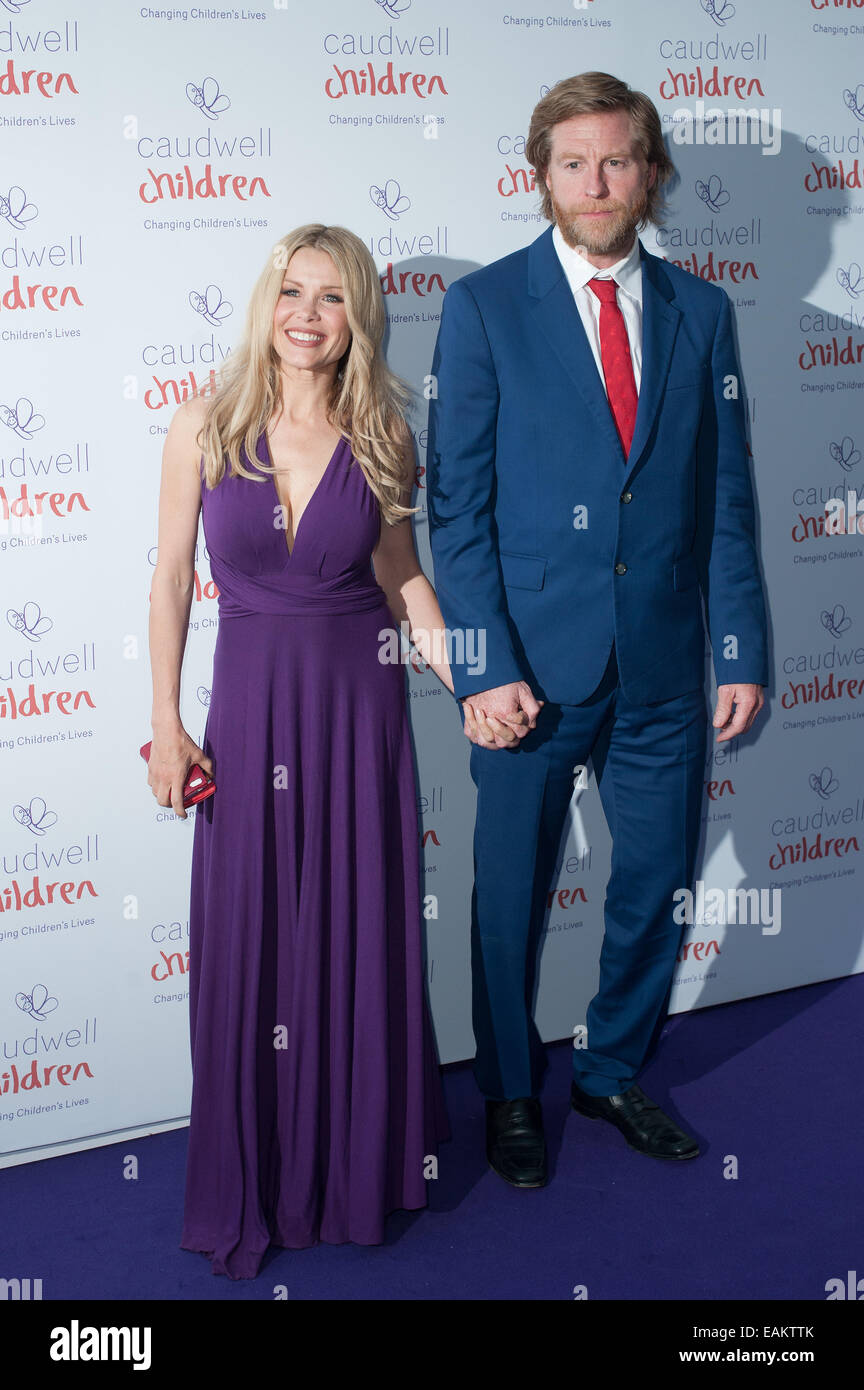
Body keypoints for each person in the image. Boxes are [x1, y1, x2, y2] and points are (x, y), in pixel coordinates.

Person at [426, 72, 768, 1188]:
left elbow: (726, 497)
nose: (596, 182)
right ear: (542, 177)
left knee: (657, 876)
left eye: (617, 160)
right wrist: (483, 668)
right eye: (572, 162)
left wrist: (742, 649)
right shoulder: (483, 308)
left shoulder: (701, 312)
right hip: (528, 672)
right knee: (511, 895)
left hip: (665, 665)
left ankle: (615, 1066)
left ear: (651, 173)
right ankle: (512, 1091)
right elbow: (455, 512)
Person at [147, 223, 451, 1278]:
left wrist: (474, 680)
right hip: (246, 712)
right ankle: (259, 1171)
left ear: (358, 314)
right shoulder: (203, 423)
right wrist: (168, 720)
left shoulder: (384, 438)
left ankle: (351, 1168)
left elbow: (404, 578)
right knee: (253, 934)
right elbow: (170, 581)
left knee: (353, 928)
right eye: (292, 293)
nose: (307, 316)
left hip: (356, 719)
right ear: (265, 305)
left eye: (330, 297)